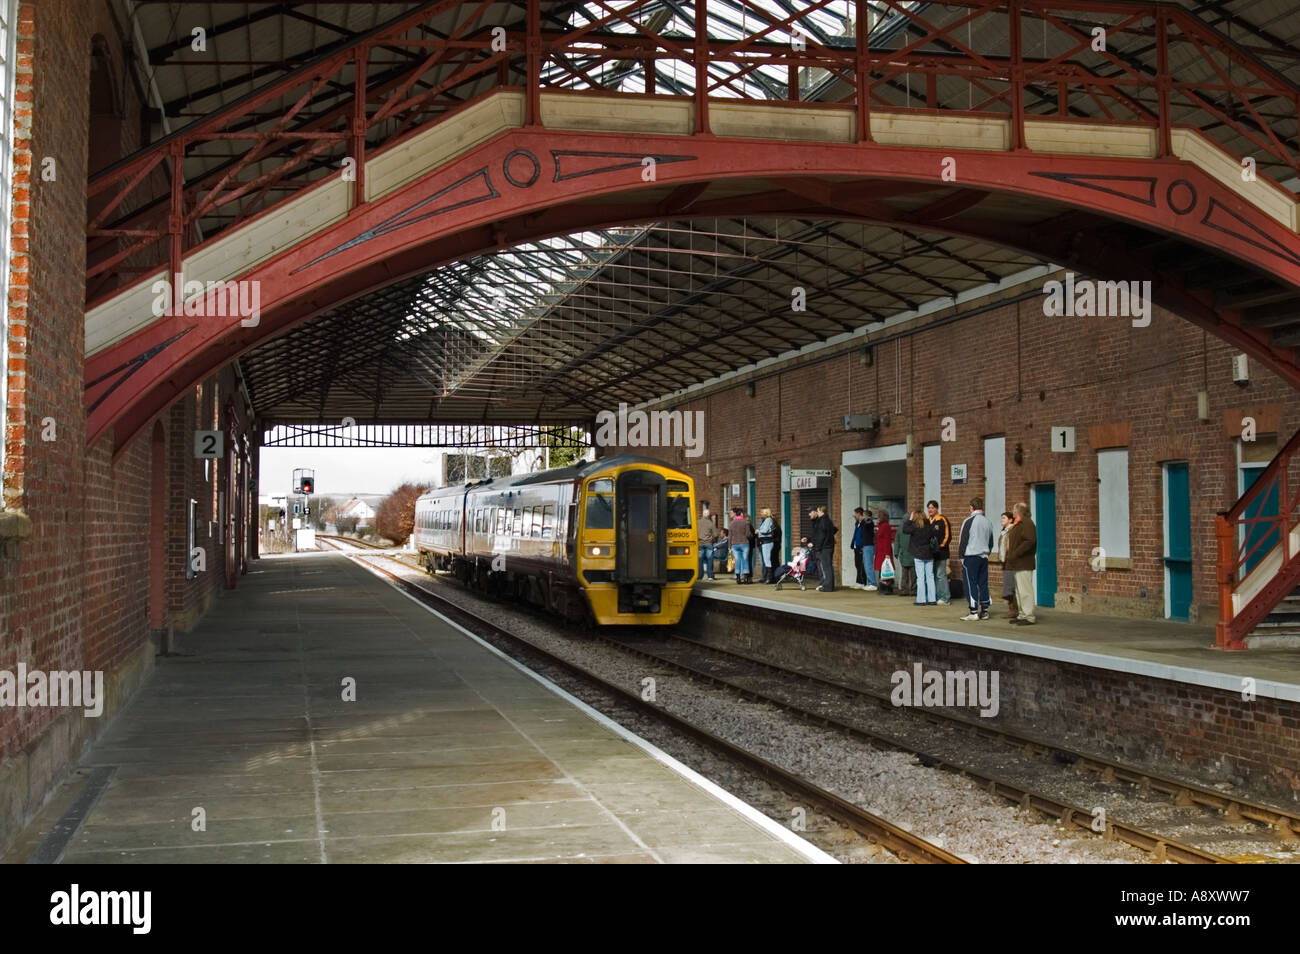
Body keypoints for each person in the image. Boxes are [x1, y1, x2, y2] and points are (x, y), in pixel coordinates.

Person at [957, 496, 996, 621]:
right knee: (983, 583)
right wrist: (987, 552)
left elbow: (963, 540)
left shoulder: (968, 521)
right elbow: (991, 541)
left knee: (970, 583)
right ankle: (985, 610)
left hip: (971, 556)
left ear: (971, 507)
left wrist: (961, 557)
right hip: (984, 556)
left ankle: (973, 611)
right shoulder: (988, 522)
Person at [1005, 502, 1038, 625]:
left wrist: (1016, 553)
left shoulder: (1027, 523)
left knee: (1025, 590)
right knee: (1019, 591)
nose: (1012, 512)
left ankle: (1029, 616)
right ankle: (1022, 614)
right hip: (1017, 563)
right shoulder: (1018, 523)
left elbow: (1029, 541)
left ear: (1018, 511)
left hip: (1024, 562)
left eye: (1014, 509)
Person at [903, 509, 936, 605]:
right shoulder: (929, 526)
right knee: (930, 577)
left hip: (918, 554)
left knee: (920, 578)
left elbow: (905, 529)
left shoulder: (914, 526)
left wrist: (910, 519)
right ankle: (932, 599)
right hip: (929, 554)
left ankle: (921, 600)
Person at [926, 500, 952, 605]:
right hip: (930, 553)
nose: (930, 510)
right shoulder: (927, 520)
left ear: (936, 509)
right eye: (929, 508)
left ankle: (945, 598)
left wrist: (940, 546)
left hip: (941, 553)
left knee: (941, 575)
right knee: (933, 575)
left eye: (932, 508)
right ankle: (936, 596)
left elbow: (947, 536)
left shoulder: (942, 520)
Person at [810, 505, 837, 592]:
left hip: (825, 547)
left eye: (817, 511)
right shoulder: (827, 520)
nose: (817, 513)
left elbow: (821, 536)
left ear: (821, 511)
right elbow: (833, 530)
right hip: (828, 546)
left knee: (826, 567)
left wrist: (817, 547)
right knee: (827, 567)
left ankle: (827, 586)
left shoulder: (823, 521)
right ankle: (828, 585)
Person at [850, 507, 877, 591]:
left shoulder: (869, 521)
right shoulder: (863, 523)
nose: (863, 517)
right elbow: (861, 524)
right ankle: (869, 583)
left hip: (869, 545)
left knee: (868, 565)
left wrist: (864, 519)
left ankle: (872, 583)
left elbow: (867, 522)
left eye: (864, 515)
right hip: (865, 545)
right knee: (865, 565)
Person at [996, 511, 1016, 618]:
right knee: (1008, 586)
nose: (1001, 520)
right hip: (1005, 561)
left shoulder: (1012, 531)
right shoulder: (1004, 531)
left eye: (1004, 518)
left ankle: (1014, 609)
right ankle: (1011, 609)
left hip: (1010, 561)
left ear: (1010, 520)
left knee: (1010, 586)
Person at [730, 507, 755, 585]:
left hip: (734, 544)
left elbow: (730, 536)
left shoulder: (732, 523)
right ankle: (746, 579)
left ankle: (738, 579)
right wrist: (752, 536)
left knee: (737, 561)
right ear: (741, 514)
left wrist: (729, 546)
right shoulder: (745, 522)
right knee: (745, 560)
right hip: (744, 543)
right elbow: (748, 534)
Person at [894, 510, 916, 597]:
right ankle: (913, 590)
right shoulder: (914, 527)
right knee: (913, 575)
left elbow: (897, 541)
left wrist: (896, 552)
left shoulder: (900, 528)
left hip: (903, 554)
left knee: (904, 575)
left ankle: (904, 590)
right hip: (913, 554)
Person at [873, 510, 895, 595]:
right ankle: (883, 588)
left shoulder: (885, 526)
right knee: (883, 570)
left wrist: (887, 554)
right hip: (880, 551)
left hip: (884, 552)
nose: (878, 518)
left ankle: (886, 589)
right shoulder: (881, 526)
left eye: (879, 516)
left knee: (885, 570)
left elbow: (886, 540)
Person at [697, 501, 719, 581]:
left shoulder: (697, 522)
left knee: (700, 560)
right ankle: (710, 576)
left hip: (699, 543)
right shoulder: (711, 523)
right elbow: (716, 534)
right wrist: (713, 539)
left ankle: (699, 576)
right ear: (708, 515)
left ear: (702, 515)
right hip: (709, 543)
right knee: (710, 560)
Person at [757, 508, 779, 583]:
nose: (760, 513)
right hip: (764, 542)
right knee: (766, 560)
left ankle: (769, 578)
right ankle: (768, 577)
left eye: (762, 512)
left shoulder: (768, 520)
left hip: (767, 541)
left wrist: (758, 531)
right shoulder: (765, 520)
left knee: (767, 560)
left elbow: (764, 530)